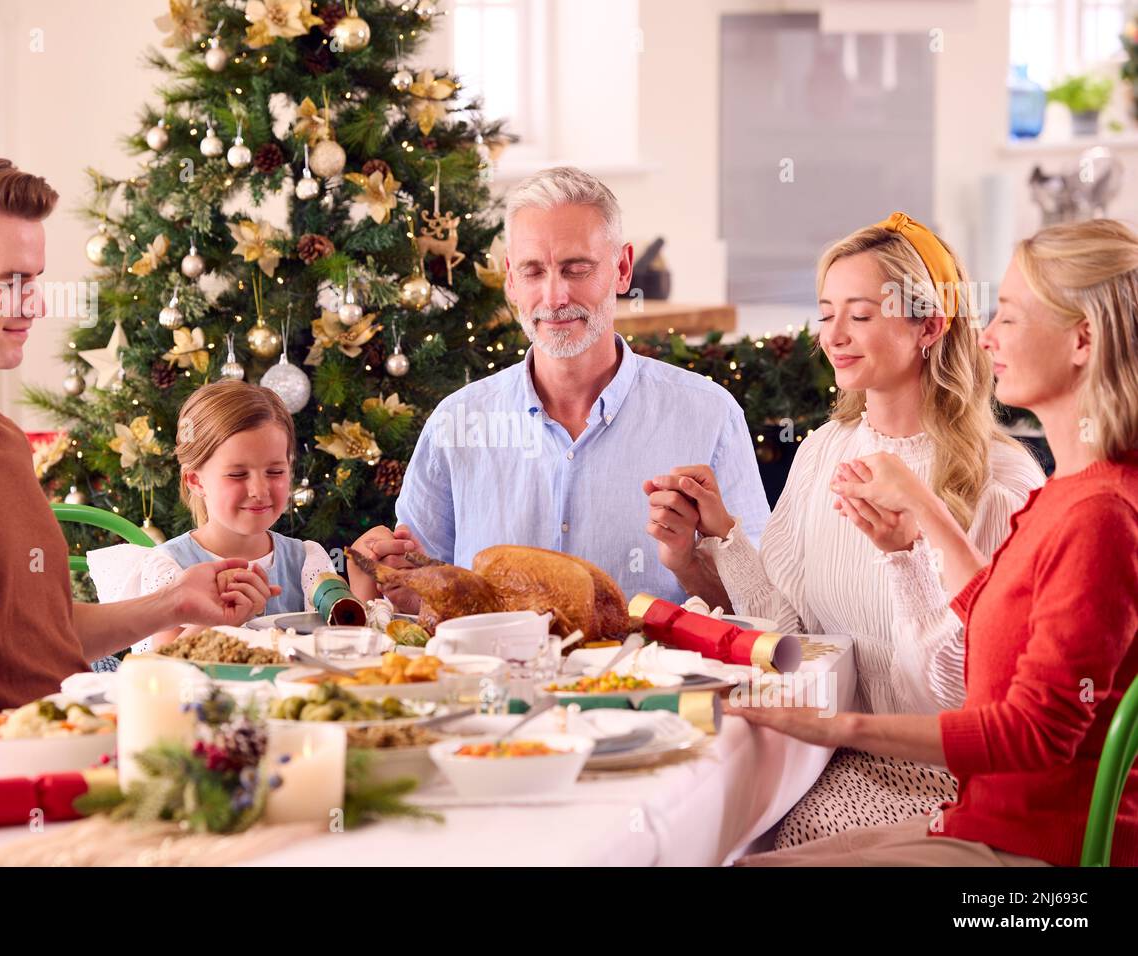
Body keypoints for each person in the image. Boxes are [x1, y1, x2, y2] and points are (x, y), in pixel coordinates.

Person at [0, 153, 270, 774]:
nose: (34, 306)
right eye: (10, 281)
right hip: (23, 804)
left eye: (35, 280)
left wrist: (174, 603)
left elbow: (37, 629)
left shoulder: (1, 438)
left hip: (89, 765)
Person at [731, 219, 1138, 867]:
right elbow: (999, 625)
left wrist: (840, 728)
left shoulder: (1096, 509)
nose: (983, 335)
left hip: (1036, 841)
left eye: (1007, 316)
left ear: (1082, 340)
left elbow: (1034, 731)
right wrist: (910, 536)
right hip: (993, 814)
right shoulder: (1076, 490)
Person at [655, 214, 1044, 846]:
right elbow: (791, 633)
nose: (833, 335)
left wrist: (907, 556)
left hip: (947, 785)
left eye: (860, 316)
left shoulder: (1000, 481)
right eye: (826, 311)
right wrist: (722, 535)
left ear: (929, 325)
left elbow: (974, 704)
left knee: (735, 830)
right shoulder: (822, 453)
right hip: (828, 755)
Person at [348, 166, 770, 612]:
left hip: (650, 682)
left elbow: (761, 608)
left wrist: (687, 563)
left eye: (576, 268)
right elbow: (418, 598)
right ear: (511, 278)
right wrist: (383, 573)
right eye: (533, 271)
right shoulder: (456, 423)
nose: (554, 297)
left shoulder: (709, 416)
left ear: (622, 269)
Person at [88, 380, 336, 649]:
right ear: (195, 481)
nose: (259, 490)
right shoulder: (170, 570)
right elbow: (161, 670)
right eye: (238, 474)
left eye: (275, 472)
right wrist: (212, 619)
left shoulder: (306, 562)